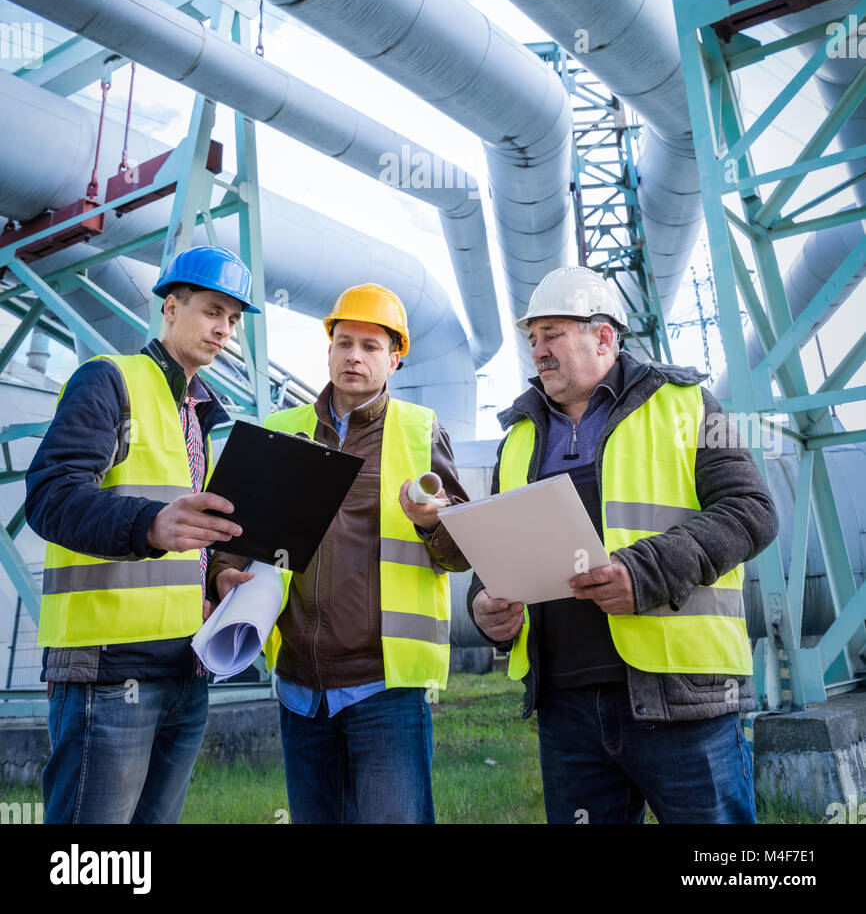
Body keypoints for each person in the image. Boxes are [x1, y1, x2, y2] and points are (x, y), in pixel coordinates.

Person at [469, 265, 779, 825]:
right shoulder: (517, 435)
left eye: (553, 335)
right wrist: (486, 606)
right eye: (532, 339)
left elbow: (751, 511)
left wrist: (643, 573)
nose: (537, 351)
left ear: (605, 337)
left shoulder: (690, 405)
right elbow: (495, 545)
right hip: (566, 707)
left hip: (681, 696)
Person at [210, 282, 470, 824]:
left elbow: (461, 552)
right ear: (328, 350)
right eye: (344, 342)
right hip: (300, 687)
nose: (354, 356)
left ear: (395, 359)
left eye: (371, 346)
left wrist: (433, 524)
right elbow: (232, 536)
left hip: (385, 687)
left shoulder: (421, 432)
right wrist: (224, 573)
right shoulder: (281, 432)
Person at [25, 244, 260, 824]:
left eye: (232, 319)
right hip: (108, 669)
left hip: (185, 667)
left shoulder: (202, 416)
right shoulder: (108, 381)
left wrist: (220, 576)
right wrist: (149, 524)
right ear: (171, 308)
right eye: (212, 311)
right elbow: (49, 497)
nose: (223, 329)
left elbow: (186, 544)